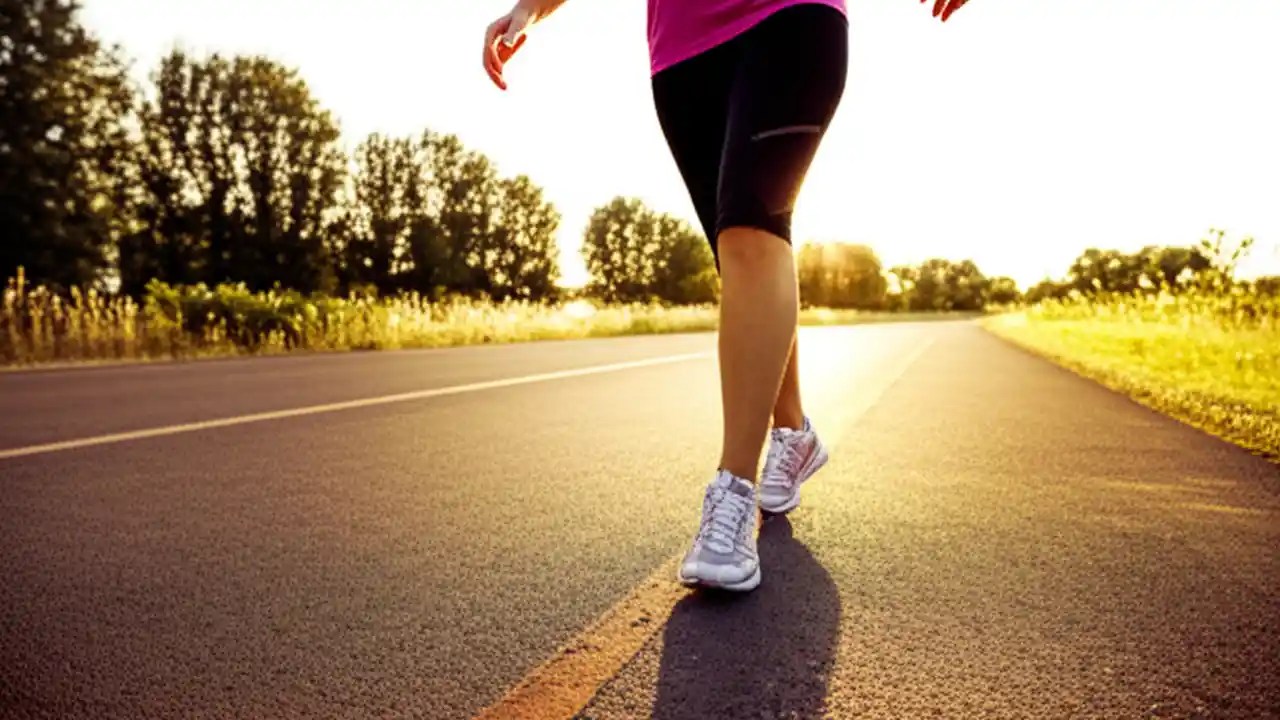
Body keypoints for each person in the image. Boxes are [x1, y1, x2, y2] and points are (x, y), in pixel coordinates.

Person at [482, 0, 970, 592]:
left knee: (749, 230)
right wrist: (529, 10)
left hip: (790, 16)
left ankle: (732, 492)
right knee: (736, 256)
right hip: (683, 50)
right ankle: (793, 433)